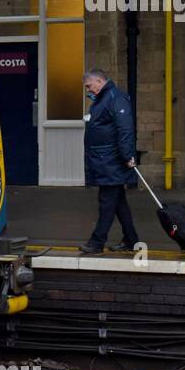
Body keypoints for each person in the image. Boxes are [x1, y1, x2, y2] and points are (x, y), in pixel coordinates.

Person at [80, 68, 140, 254]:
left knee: (106, 202)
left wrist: (127, 156)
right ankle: (131, 240)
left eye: (89, 86)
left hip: (112, 160)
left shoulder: (115, 98)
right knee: (118, 202)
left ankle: (97, 242)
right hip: (105, 159)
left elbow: (125, 130)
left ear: (99, 81)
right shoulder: (103, 99)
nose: (88, 90)